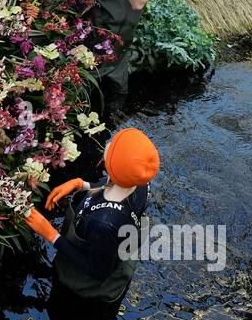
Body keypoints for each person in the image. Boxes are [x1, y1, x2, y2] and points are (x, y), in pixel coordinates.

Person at [20, 127, 160, 303]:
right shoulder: (139, 182)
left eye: (113, 147)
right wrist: (81, 184)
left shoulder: (103, 223)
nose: (108, 144)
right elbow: (110, 185)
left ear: (115, 168)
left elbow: (97, 271)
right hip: (112, 245)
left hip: (88, 290)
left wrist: (50, 234)